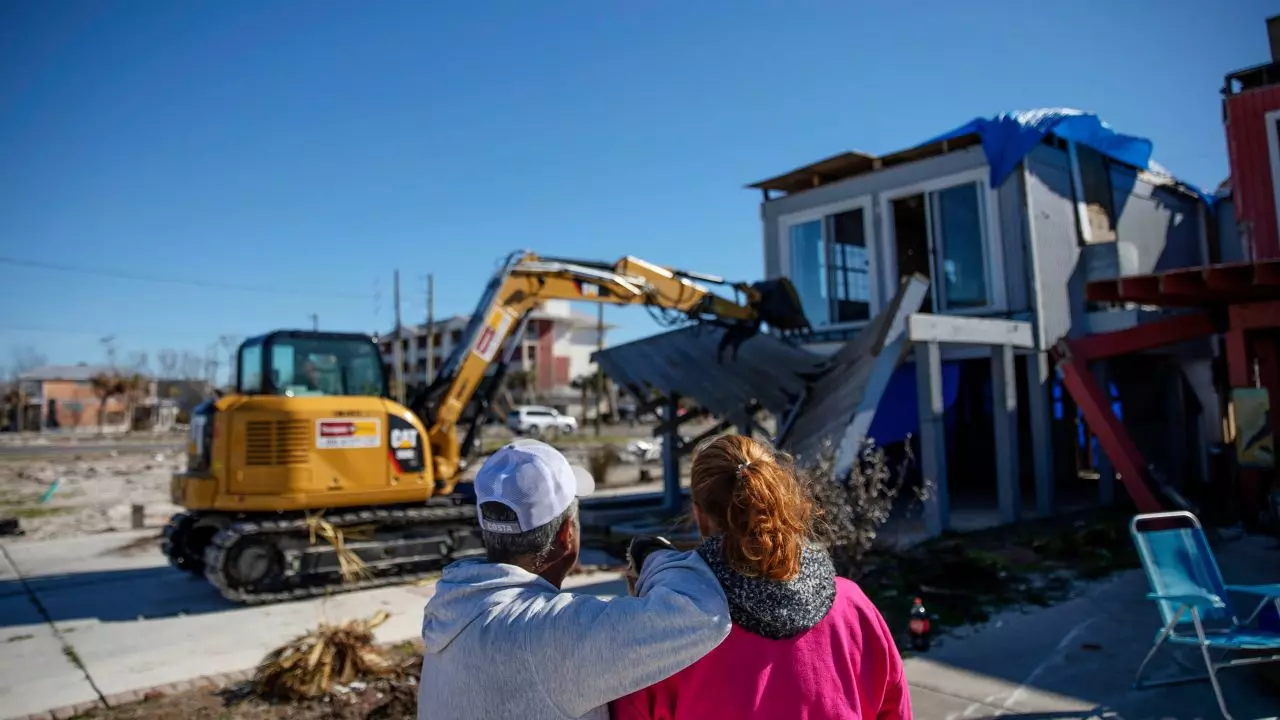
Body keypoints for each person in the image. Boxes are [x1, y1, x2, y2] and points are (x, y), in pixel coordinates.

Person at [417, 438, 732, 720]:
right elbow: (703, 614)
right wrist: (655, 557)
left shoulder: (451, 609)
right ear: (567, 535)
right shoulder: (549, 634)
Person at [611, 434, 913, 720]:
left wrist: (647, 597)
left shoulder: (667, 628)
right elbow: (895, 706)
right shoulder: (853, 607)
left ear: (700, 516)